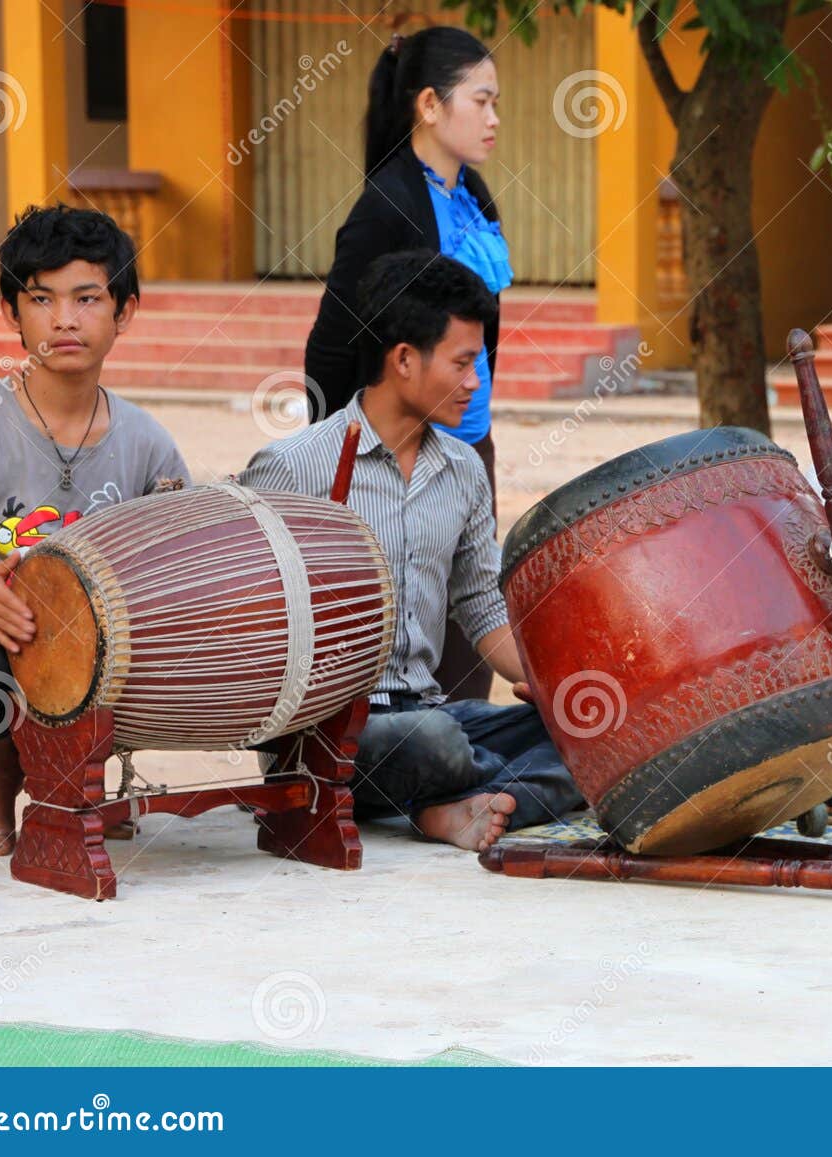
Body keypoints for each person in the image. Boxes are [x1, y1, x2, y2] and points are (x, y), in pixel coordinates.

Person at [242, 252, 582, 852]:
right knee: (436, 744)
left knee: (588, 731)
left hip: (429, 708)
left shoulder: (464, 472)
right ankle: (447, 801)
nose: (475, 381)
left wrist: (556, 689)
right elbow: (252, 614)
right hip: (325, 729)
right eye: (463, 362)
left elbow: (481, 604)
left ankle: (452, 807)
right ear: (403, 359)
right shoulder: (294, 467)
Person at [0, 206, 189, 856]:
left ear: (124, 312)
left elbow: (179, 579)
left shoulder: (149, 444)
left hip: (102, 652)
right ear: (9, 313)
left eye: (87, 298)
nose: (65, 320)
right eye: (41, 299)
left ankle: (83, 782)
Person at [304, 26, 510, 700]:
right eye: (480, 101)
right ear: (429, 104)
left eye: (496, 103)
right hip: (398, 451)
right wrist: (346, 452)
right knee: (395, 619)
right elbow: (331, 344)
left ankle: (461, 764)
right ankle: (392, 770)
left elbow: (483, 328)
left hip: (467, 443)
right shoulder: (384, 208)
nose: (493, 119)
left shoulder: (473, 196)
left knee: (471, 620)